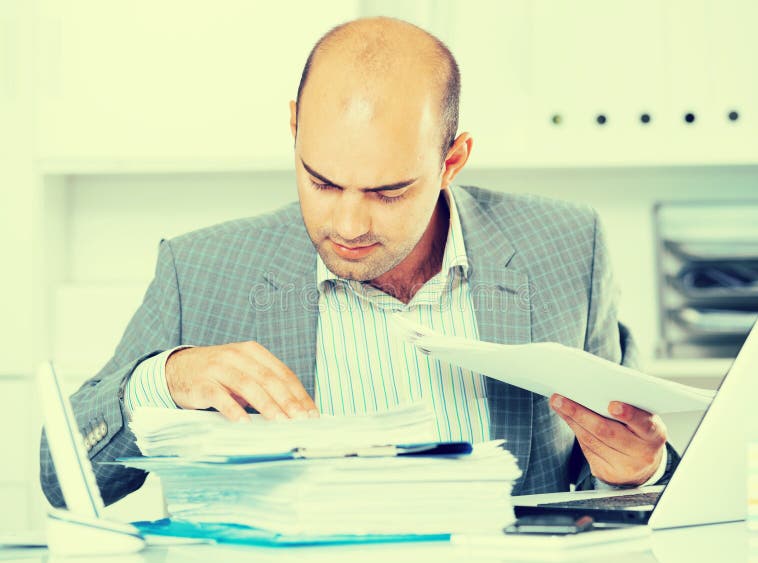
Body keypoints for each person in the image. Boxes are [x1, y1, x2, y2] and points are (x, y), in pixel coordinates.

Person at [41, 16, 675, 507]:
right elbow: (62, 479)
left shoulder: (567, 246)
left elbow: (627, 481)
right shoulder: (200, 270)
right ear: (294, 129)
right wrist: (164, 380)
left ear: (451, 161)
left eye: (387, 192)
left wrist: (634, 473)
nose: (346, 226)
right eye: (320, 182)